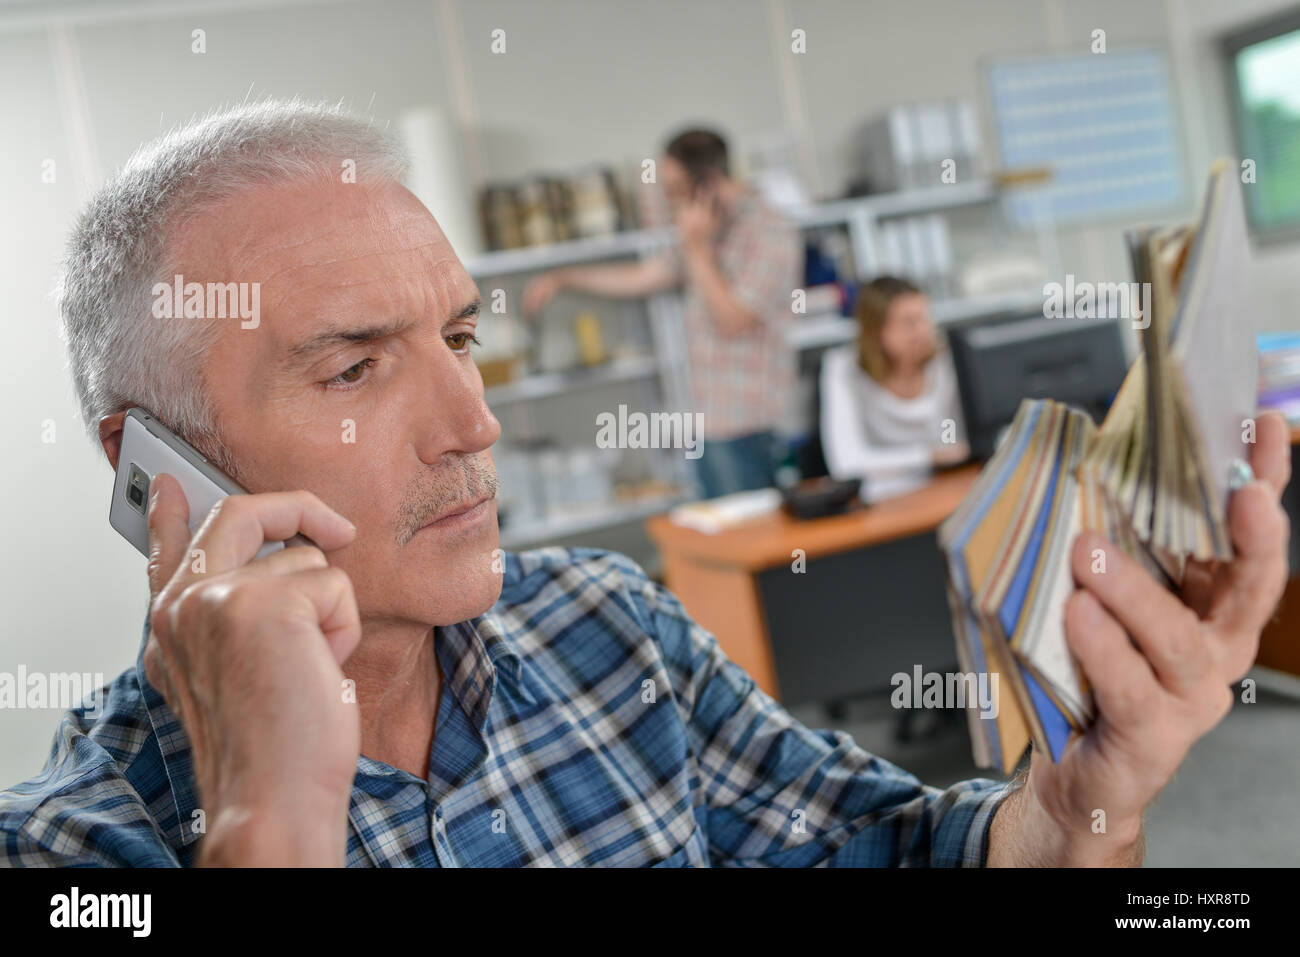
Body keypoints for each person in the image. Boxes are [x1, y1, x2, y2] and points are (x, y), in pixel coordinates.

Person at [0, 100, 1290, 868]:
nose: (475, 420)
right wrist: (268, 816)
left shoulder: (609, 630)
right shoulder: (73, 845)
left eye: (458, 339)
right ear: (149, 476)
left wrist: (1076, 808)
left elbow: (907, 852)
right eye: (351, 369)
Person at [522, 128, 799, 499]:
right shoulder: (707, 232)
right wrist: (562, 278)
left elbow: (734, 319)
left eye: (676, 190)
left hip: (751, 424)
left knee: (760, 546)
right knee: (726, 545)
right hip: (708, 422)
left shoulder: (769, 232)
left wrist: (697, 249)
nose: (672, 202)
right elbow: (642, 277)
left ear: (709, 183)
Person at [820, 276, 970, 502]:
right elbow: (846, 465)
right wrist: (928, 457)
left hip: (949, 490)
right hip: (886, 502)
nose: (923, 332)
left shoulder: (946, 361)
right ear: (877, 332)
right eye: (909, 323)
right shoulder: (843, 369)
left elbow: (966, 443)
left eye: (925, 319)